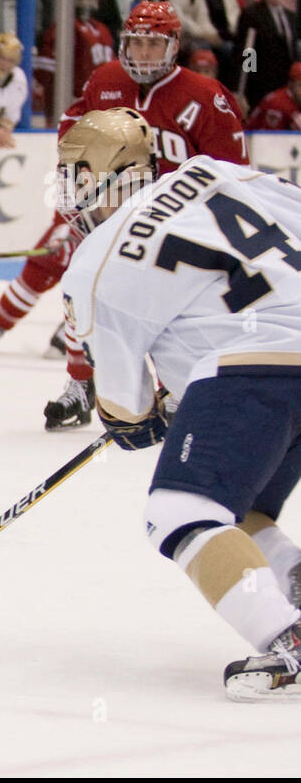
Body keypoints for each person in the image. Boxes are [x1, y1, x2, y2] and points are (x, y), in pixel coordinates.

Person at [56, 107, 301, 700]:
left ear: (105, 174)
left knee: (179, 511)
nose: (66, 188)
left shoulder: (97, 258)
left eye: (74, 172)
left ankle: (286, 638)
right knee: (237, 513)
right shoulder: (220, 171)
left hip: (254, 368)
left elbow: (124, 408)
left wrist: (141, 418)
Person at [0, 1, 249, 429]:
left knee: (170, 307)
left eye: (152, 45)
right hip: (114, 215)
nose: (141, 54)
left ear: (173, 47)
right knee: (82, 287)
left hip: (180, 224)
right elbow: (73, 127)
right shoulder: (105, 81)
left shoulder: (207, 97)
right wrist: (77, 192)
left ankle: (177, 386)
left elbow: (233, 174)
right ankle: (81, 384)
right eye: (134, 44)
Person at [34, 0, 115, 104]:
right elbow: (45, 68)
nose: (85, 3)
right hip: (73, 100)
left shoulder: (102, 29)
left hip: (100, 99)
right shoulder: (64, 28)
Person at [233, 0, 298, 112]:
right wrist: (249, 84)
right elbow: (247, 51)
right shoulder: (252, 14)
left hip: (287, 81)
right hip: (263, 81)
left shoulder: (292, 17)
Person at [246, 61, 301, 130]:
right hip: (250, 137)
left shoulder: (295, 100)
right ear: (290, 84)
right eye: (300, 85)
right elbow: (270, 137)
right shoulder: (277, 103)